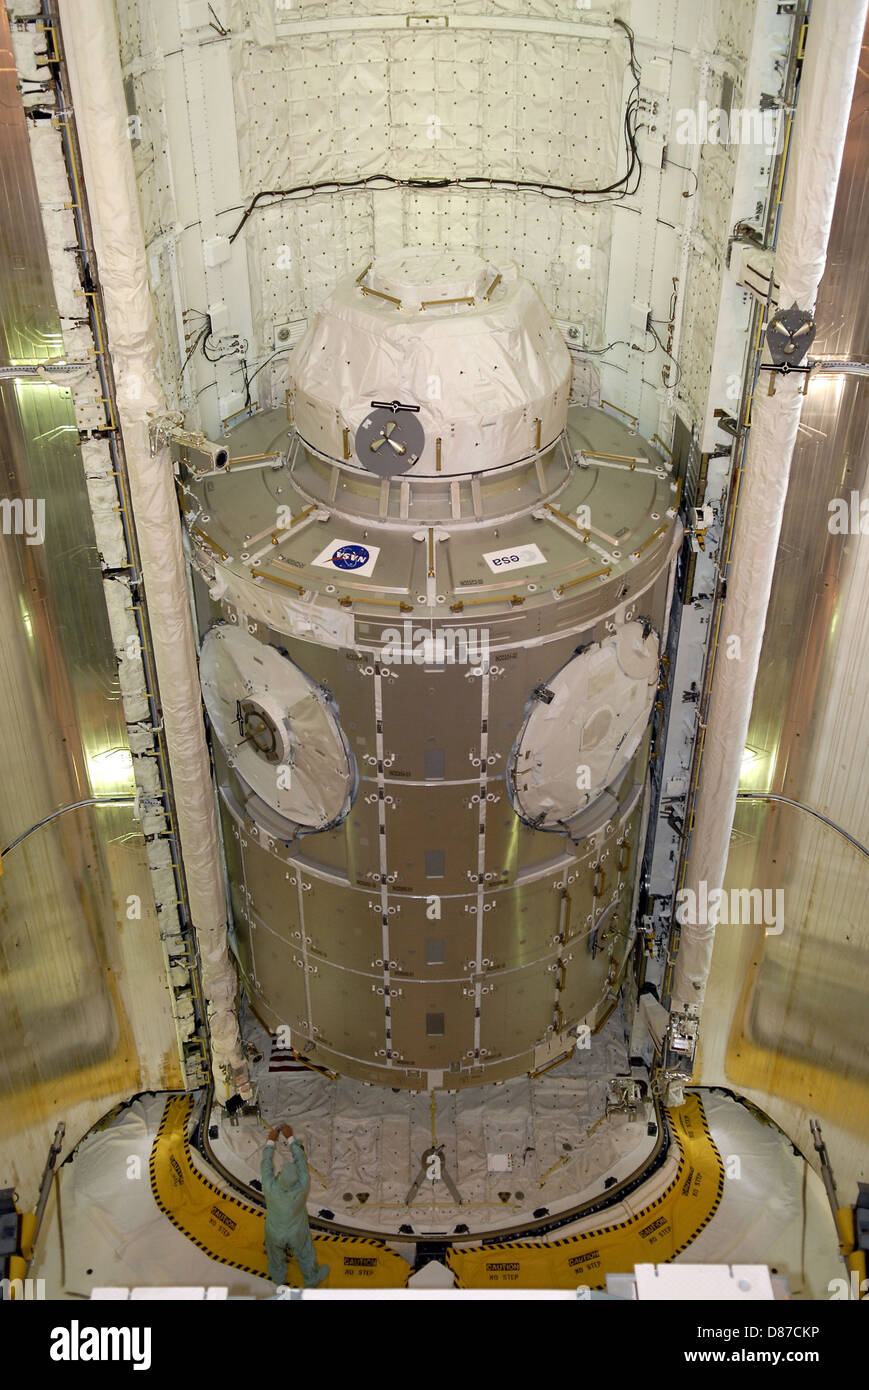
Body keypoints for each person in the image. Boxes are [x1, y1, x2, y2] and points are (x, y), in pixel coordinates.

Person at [261, 1122, 330, 1288]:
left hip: (274, 1232)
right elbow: (301, 1162)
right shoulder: (302, 1186)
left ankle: (278, 1276)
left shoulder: (269, 1187)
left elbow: (266, 1165)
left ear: (281, 1176)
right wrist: (290, 1137)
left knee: (275, 1255)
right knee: (305, 1252)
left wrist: (271, 1141)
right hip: (296, 1232)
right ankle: (311, 1278)